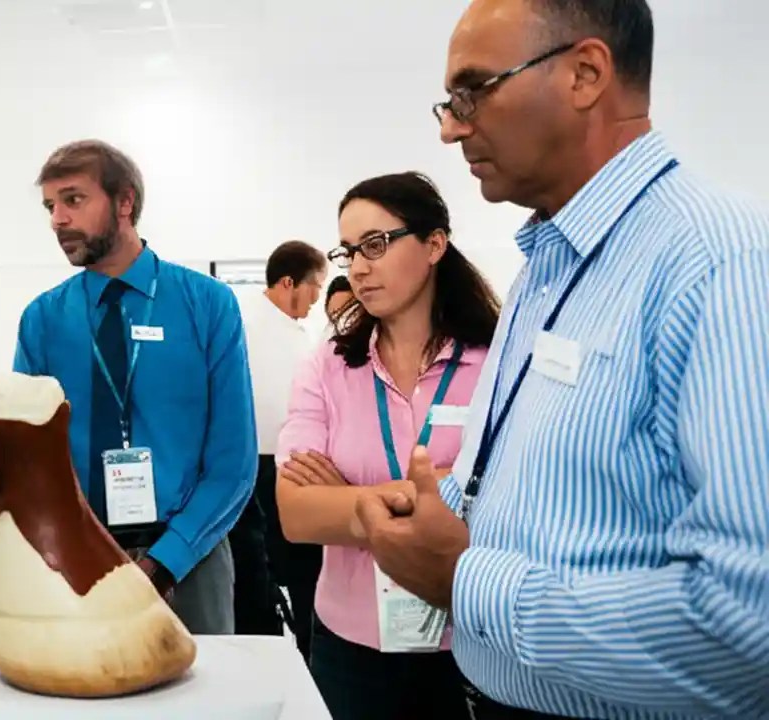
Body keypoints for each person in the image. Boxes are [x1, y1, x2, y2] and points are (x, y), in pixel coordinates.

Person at [358, 1, 769, 718]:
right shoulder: (546, 268)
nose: (452, 126)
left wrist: (463, 576)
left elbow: (748, 620)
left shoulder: (720, 262)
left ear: (585, 74)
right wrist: (435, 512)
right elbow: (552, 492)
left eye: (471, 92)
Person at [277, 172, 499, 719]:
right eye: (349, 251)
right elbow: (296, 514)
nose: (358, 266)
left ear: (434, 244)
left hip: (468, 636)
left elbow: (509, 496)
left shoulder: (495, 362)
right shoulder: (328, 367)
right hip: (349, 641)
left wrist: (352, 500)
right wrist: (438, 490)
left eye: (375, 245)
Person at [13, 139, 256, 634]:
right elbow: (29, 459)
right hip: (81, 563)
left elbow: (234, 461)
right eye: (50, 206)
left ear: (124, 202)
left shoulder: (207, 305)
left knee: (201, 704)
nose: (58, 218)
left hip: (192, 559)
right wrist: (69, 548)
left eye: (74, 200)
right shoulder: (43, 320)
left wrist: (166, 562)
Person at [232, 240, 326, 652]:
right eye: (315, 288)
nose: (317, 299)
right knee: (264, 573)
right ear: (289, 282)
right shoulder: (245, 321)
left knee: (302, 574)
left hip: (291, 466)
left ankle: (306, 647)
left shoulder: (293, 333)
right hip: (255, 469)